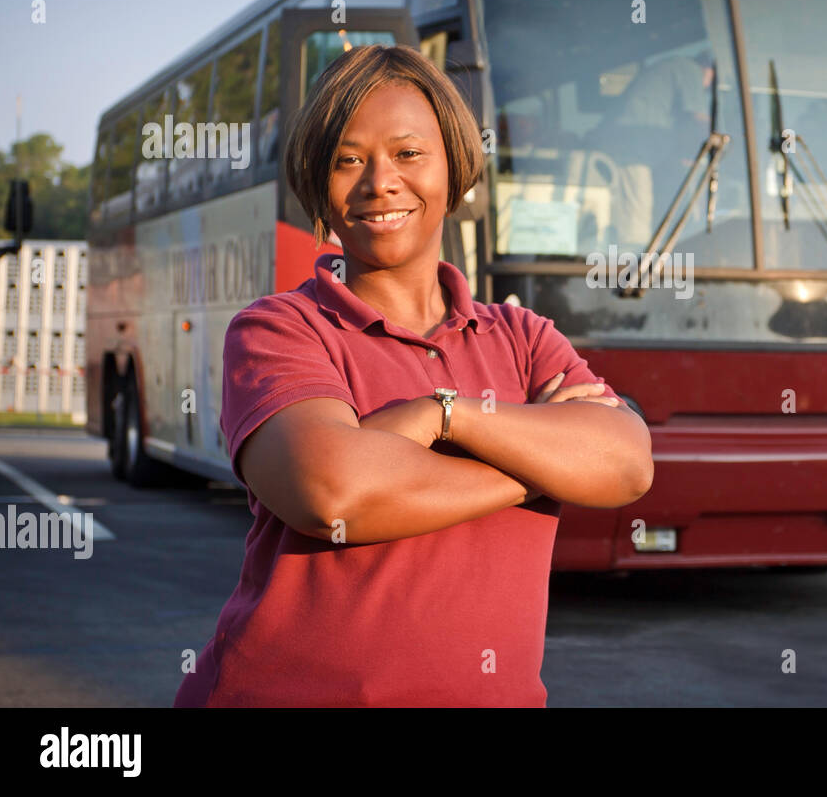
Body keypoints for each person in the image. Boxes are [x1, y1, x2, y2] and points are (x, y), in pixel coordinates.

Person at [173, 44, 653, 707]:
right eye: (348, 159)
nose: (380, 182)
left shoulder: (522, 337)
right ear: (318, 179)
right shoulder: (279, 331)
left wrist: (443, 415)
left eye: (408, 154)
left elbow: (627, 465)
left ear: (454, 167)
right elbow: (333, 494)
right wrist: (543, 462)